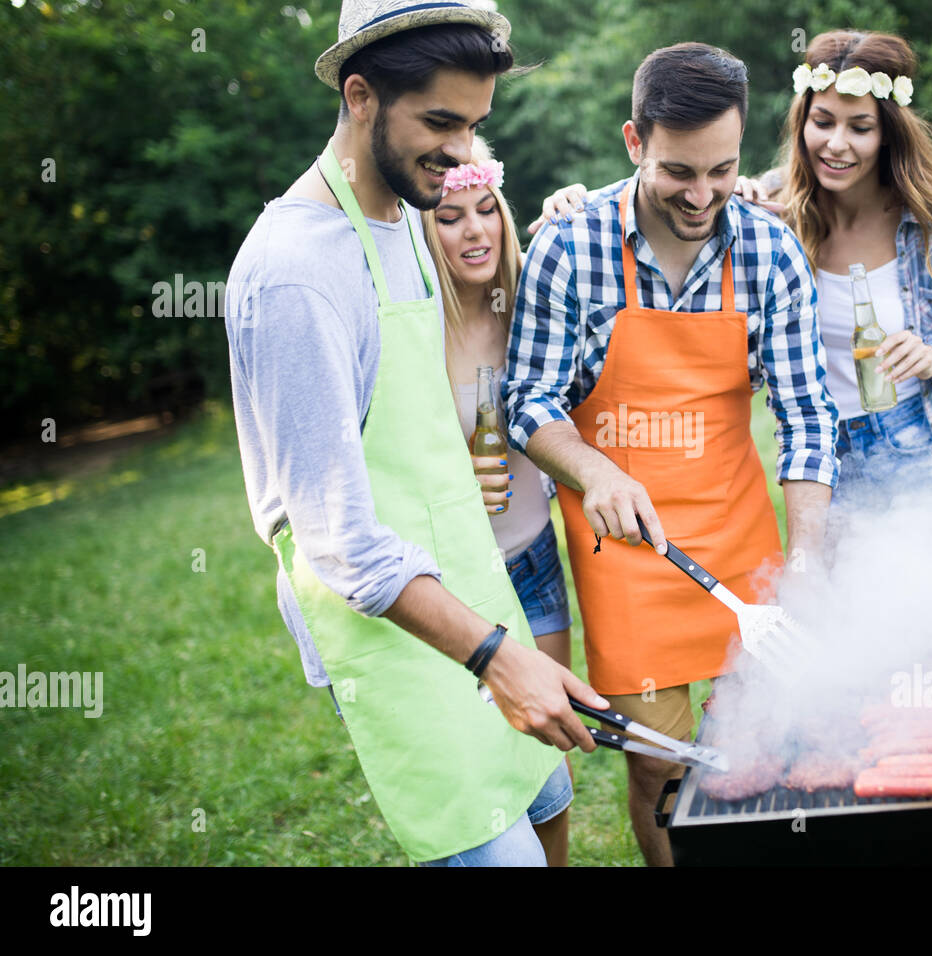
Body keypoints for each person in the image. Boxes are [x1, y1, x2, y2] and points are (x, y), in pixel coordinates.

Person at [224, 0, 606, 868]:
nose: (461, 152)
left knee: (550, 810)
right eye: (440, 122)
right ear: (360, 96)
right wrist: (496, 659)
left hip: (480, 593)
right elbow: (336, 543)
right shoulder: (294, 273)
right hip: (403, 644)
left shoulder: (406, 217)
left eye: (474, 125)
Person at [506, 42, 840, 866]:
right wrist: (594, 469)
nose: (702, 196)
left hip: (738, 542)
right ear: (633, 143)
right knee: (663, 765)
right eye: (678, 173)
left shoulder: (770, 253)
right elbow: (529, 401)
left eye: (721, 171)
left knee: (764, 751)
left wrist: (805, 560)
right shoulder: (570, 248)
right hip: (623, 553)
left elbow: (806, 414)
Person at [734, 30, 932, 511]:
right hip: (820, 455)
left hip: (921, 439)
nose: (836, 144)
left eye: (860, 127)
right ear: (802, 122)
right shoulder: (770, 211)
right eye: (823, 121)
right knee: (836, 587)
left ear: (888, 133)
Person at [422, 137, 576, 865]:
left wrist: (568, 210)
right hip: (459, 578)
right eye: (450, 217)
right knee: (484, 756)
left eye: (487, 210)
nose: (475, 230)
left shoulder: (532, 298)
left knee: (551, 760)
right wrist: (457, 477)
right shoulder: (415, 326)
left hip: (533, 559)